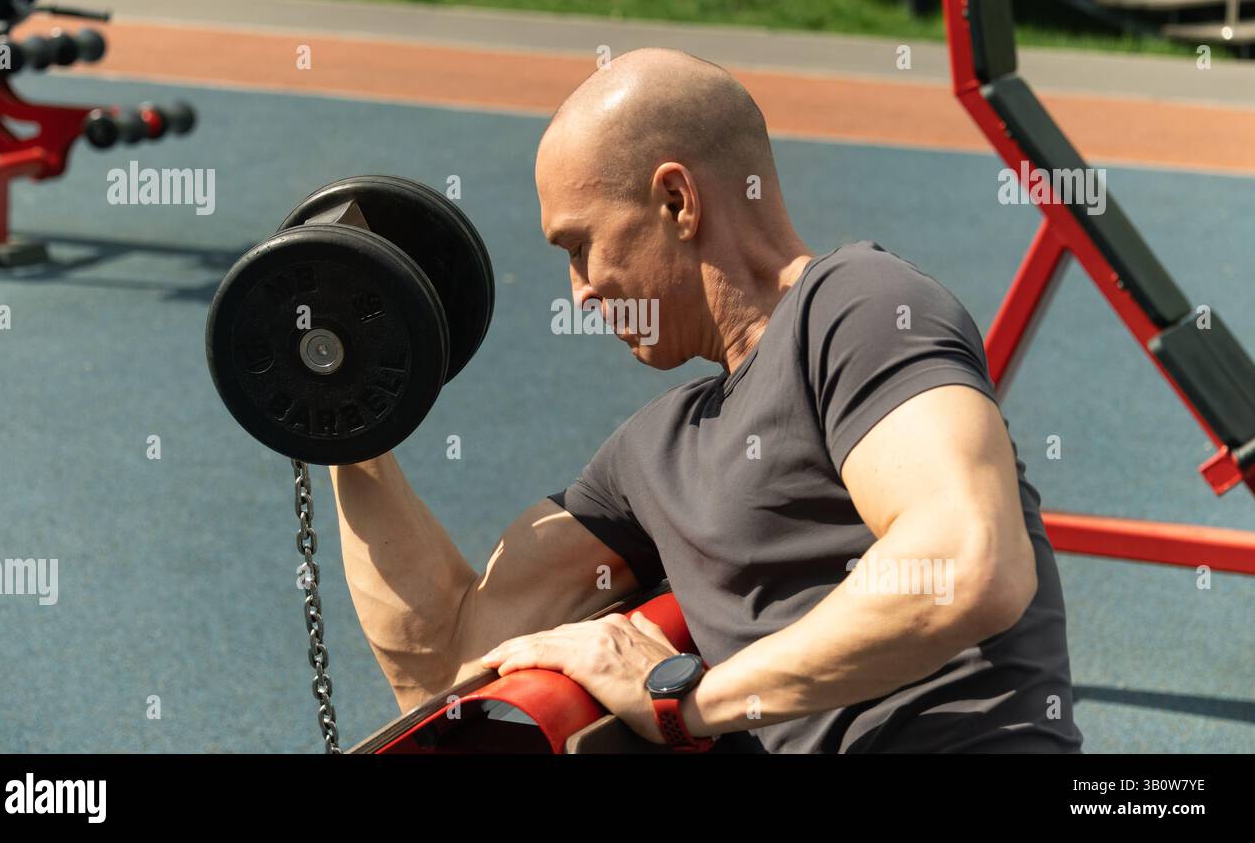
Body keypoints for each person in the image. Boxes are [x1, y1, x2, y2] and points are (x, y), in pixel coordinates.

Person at [332, 47, 1082, 753]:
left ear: (676, 200)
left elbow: (965, 564)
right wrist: (345, 415)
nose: (580, 291)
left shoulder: (858, 307)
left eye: (579, 246)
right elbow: (448, 668)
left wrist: (685, 701)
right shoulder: (650, 456)